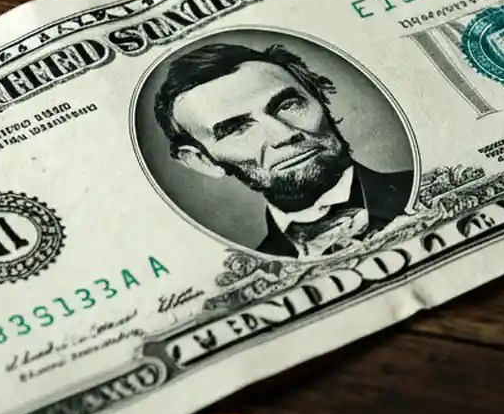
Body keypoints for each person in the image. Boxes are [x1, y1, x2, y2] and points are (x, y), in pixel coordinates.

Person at [153, 42, 413, 260]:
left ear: (319, 98)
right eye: (237, 128)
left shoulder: (429, 183)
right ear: (203, 161)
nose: (285, 135)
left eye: (288, 105)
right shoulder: (256, 276)